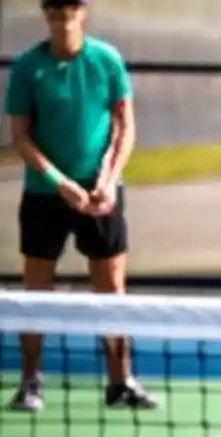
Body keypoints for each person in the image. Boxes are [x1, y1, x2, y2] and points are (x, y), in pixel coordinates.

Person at [5, 0, 156, 412]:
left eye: (70, 4)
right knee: (36, 293)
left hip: (101, 191)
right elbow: (20, 136)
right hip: (44, 195)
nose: (62, 11)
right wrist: (61, 184)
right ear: (44, 12)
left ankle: (120, 381)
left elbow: (125, 127)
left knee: (111, 290)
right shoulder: (27, 68)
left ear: (83, 10)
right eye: (53, 5)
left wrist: (106, 181)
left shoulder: (106, 60)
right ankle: (30, 382)